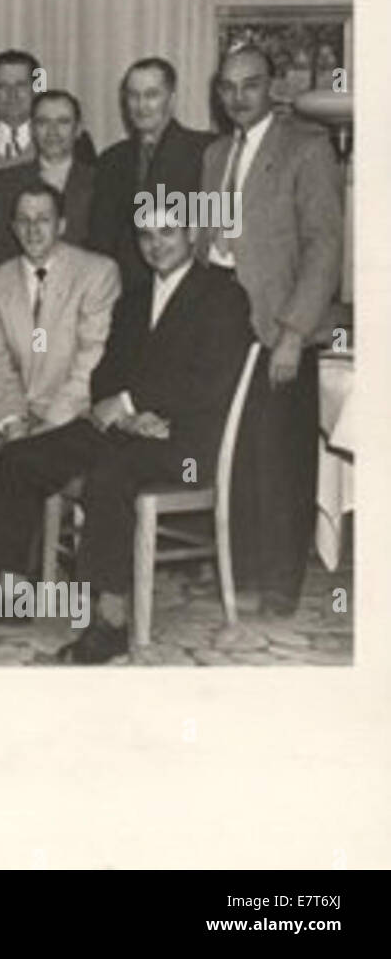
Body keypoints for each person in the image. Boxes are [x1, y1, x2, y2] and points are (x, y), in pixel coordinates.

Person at [0, 218, 252, 661]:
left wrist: (132, 404)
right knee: (21, 457)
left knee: (109, 475)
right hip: (130, 430)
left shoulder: (223, 294)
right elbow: (105, 373)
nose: (155, 245)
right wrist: (125, 414)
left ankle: (111, 621)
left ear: (192, 235)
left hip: (186, 445)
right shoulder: (135, 299)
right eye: (146, 235)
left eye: (168, 233)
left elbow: (211, 382)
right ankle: (13, 592)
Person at [199, 45, 342, 618]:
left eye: (250, 85)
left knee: (281, 457)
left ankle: (282, 580)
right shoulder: (212, 156)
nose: (238, 97)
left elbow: (325, 246)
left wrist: (292, 331)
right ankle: (245, 567)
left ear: (272, 87)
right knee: (235, 457)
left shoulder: (307, 149)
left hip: (281, 328)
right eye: (228, 87)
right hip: (225, 329)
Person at [0, 182, 120, 513]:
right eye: (24, 220)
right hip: (21, 407)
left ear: (61, 225)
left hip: (77, 412)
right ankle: (32, 554)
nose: (33, 230)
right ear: (13, 228)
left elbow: (91, 361)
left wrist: (48, 429)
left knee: (58, 473)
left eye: (43, 219)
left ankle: (31, 554)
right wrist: (13, 423)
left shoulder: (98, 273)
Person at [88, 57, 217, 289]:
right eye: (133, 95)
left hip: (189, 293)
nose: (141, 106)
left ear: (172, 99)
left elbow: (216, 236)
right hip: (126, 296)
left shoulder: (207, 151)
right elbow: (101, 241)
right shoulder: (110, 159)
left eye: (151, 95)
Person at [0, 48, 97, 205]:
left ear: (37, 88)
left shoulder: (76, 143)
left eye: (21, 85)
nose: (12, 94)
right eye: (3, 86)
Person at [0, 89, 95, 275]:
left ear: (78, 129)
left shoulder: (100, 182)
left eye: (63, 122)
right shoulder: (2, 185)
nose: (52, 131)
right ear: (31, 129)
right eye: (43, 122)